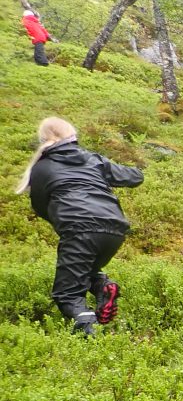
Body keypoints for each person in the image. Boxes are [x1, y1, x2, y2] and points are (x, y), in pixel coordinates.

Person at [16, 117, 141, 334]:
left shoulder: (41, 168)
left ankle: (91, 337)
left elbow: (40, 206)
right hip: (115, 230)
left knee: (67, 294)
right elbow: (135, 177)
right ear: (72, 135)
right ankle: (103, 287)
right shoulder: (93, 159)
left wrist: (64, 222)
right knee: (85, 271)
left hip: (80, 230)